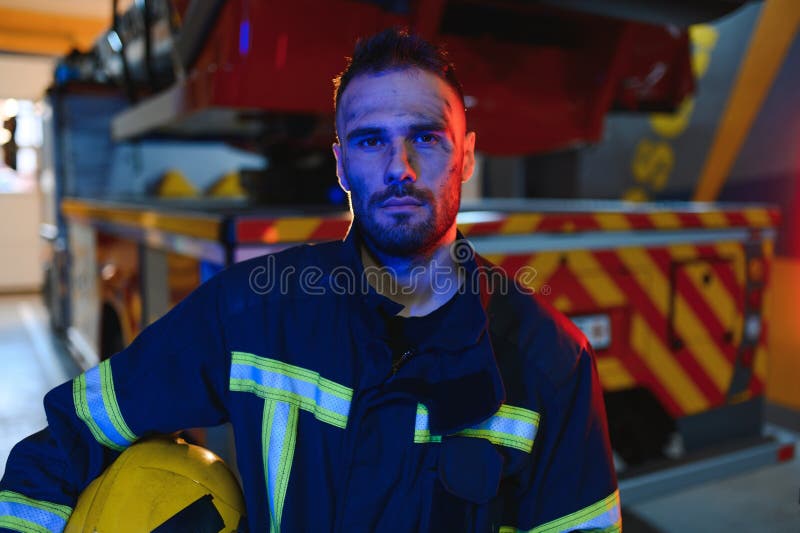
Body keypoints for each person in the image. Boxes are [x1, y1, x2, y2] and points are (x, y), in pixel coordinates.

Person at [0, 28, 619, 532]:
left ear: (465, 154)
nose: (399, 168)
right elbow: (77, 428)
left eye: (425, 138)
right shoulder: (254, 312)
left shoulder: (551, 362)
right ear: (342, 162)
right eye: (371, 140)